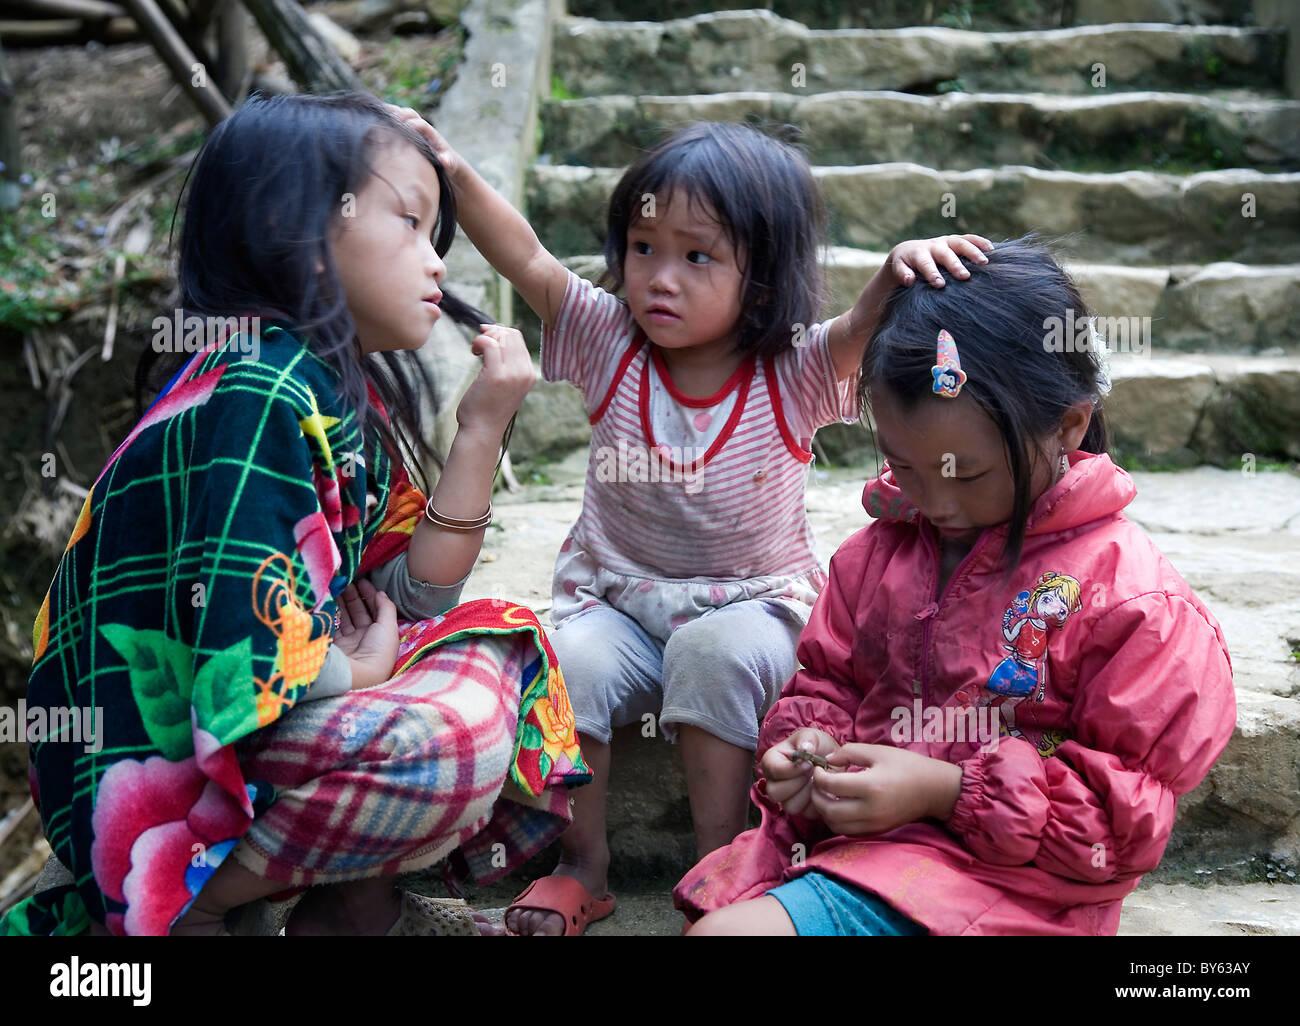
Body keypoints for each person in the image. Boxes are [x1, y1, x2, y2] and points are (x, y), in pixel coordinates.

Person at [2, 92, 590, 938]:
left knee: (500, 638)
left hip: (257, 731)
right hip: (149, 765)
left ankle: (348, 903)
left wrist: (481, 428)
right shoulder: (260, 391)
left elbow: (413, 595)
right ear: (299, 232)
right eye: (412, 225)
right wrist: (362, 671)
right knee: (451, 746)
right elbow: (237, 664)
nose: (437, 266)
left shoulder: (327, 390)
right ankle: (181, 902)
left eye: (439, 237)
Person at [395, 109, 993, 935]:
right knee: (567, 659)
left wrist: (894, 276)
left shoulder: (794, 369)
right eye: (643, 249)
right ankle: (582, 869)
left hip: (755, 603)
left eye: (697, 256)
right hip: (617, 598)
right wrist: (454, 169)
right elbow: (528, 258)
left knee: (713, 657)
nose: (659, 278)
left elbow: (859, 333)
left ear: (765, 278)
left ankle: (728, 863)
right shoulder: (608, 340)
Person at [676, 237, 1237, 935]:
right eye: (906, 468)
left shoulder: (1137, 605)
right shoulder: (875, 557)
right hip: (860, 855)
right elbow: (828, 685)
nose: (937, 504)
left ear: (1069, 425)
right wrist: (808, 749)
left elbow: (1122, 824)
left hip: (1012, 886)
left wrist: (945, 792)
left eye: (966, 475)